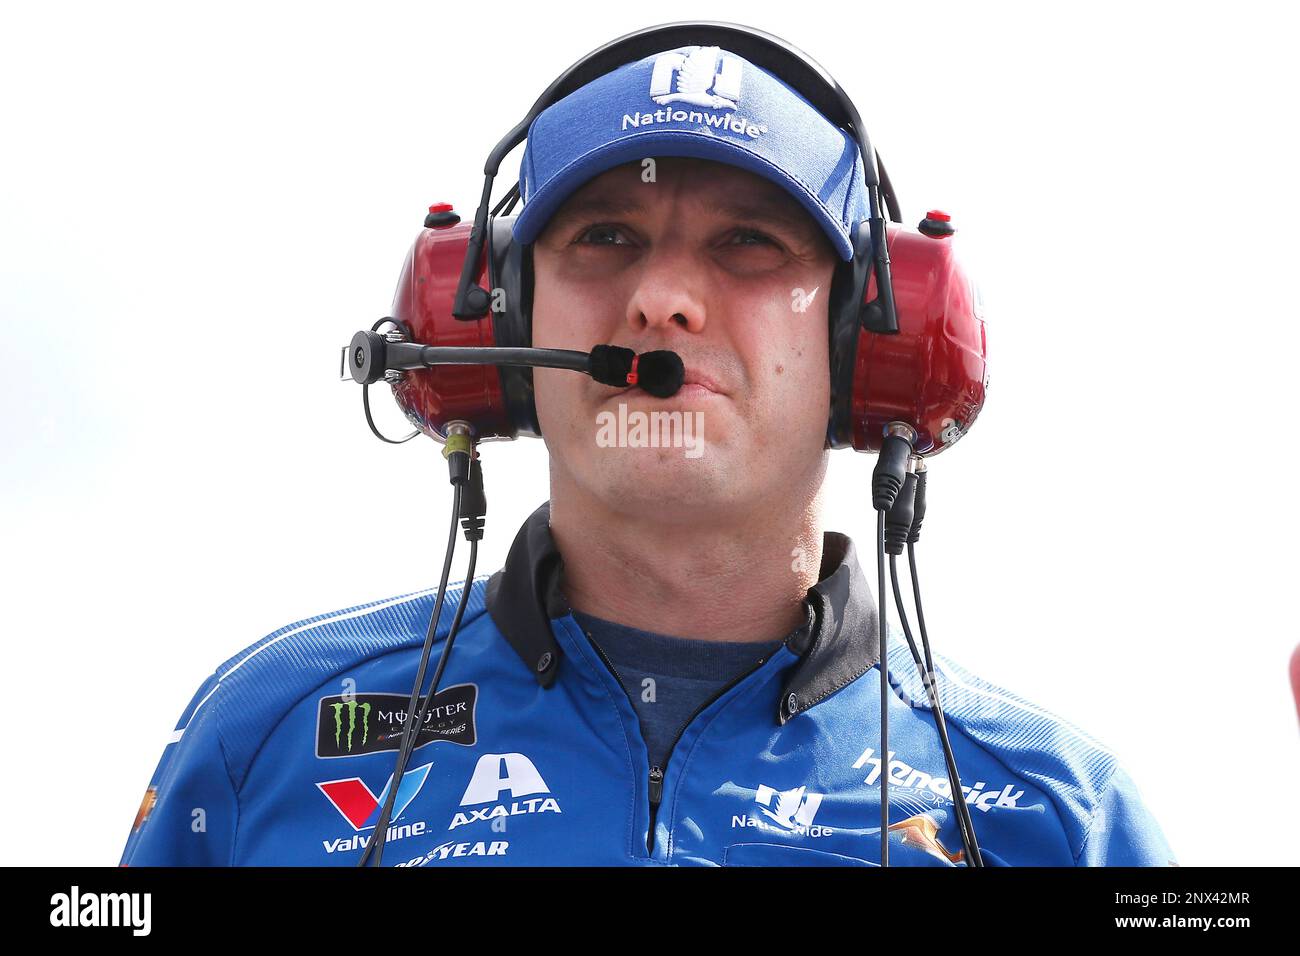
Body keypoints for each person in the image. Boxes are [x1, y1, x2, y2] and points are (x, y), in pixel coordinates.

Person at [120, 33, 1175, 867]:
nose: (661, 299)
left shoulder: (1057, 811)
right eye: (604, 236)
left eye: (748, 242)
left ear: (867, 346)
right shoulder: (271, 728)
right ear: (499, 318)